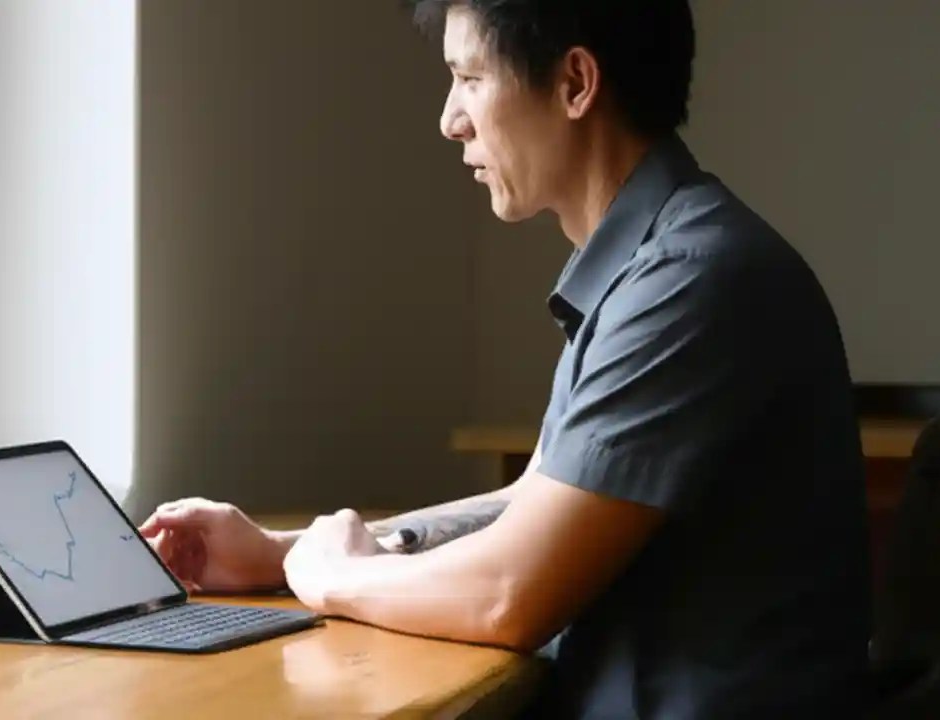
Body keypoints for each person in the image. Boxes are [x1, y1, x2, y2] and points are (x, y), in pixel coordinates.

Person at [139, 1, 871, 716]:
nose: (449, 118)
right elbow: (535, 504)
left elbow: (508, 594)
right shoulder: (654, 263)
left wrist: (329, 577)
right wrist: (281, 554)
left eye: (471, 78)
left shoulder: (691, 280)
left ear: (576, 84)